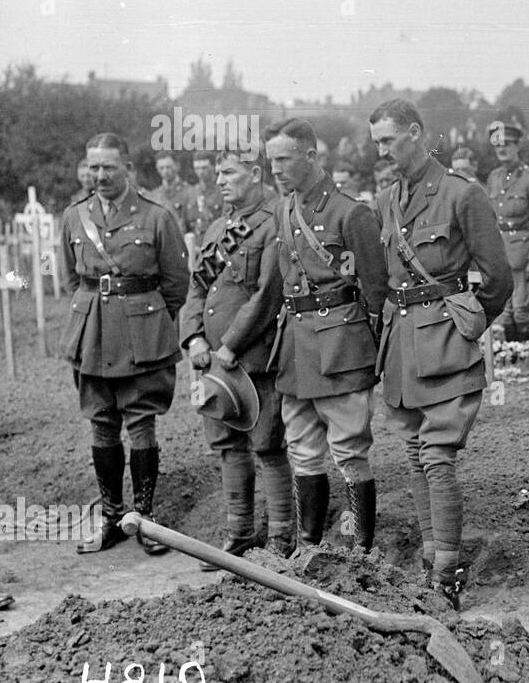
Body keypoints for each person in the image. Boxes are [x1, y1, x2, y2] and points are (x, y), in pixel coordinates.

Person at [368, 100, 511, 608]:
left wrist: (464, 324)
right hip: (402, 345)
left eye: (388, 139)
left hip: (445, 342)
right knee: (413, 453)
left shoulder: (461, 194)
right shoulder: (387, 200)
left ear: (416, 133)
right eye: (376, 141)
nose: (380, 150)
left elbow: (498, 277)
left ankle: (447, 575)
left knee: (438, 455)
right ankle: (430, 560)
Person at [59, 133, 190, 556]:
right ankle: (112, 519)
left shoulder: (156, 216)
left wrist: (148, 320)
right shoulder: (74, 217)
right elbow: (70, 279)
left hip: (142, 337)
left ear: (128, 170)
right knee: (101, 423)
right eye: (93, 167)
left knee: (140, 424)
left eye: (109, 167)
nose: (100, 176)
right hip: (91, 333)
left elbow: (175, 283)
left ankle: (145, 520)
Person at [266, 119, 389, 555]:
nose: (276, 169)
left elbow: (376, 291)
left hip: (341, 346)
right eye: (271, 161)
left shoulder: (350, 213)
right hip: (296, 349)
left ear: (311, 157)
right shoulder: (283, 209)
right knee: (301, 447)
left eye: (284, 159)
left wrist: (372, 354)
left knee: (350, 449)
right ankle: (307, 547)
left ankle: (359, 551)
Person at [179, 146, 294, 563]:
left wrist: (231, 344)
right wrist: (194, 338)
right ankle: (239, 533)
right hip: (212, 364)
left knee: (267, 444)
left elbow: (267, 294)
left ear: (256, 173)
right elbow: (195, 290)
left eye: (229, 172)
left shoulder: (273, 222)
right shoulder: (216, 230)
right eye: (219, 174)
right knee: (227, 445)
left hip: (253, 356)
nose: (220, 180)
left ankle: (282, 538)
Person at [487, 118, 529, 342]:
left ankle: (526, 355)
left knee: (521, 311)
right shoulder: (494, 178)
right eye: (498, 145)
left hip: (522, 252)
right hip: (500, 254)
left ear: (517, 146)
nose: (502, 149)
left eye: (507, 144)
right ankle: (512, 360)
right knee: (505, 311)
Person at [153, 153, 194, 236]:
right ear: (157, 169)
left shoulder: (189, 191)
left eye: (168, 167)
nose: (165, 171)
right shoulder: (154, 196)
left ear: (177, 166)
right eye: (161, 168)